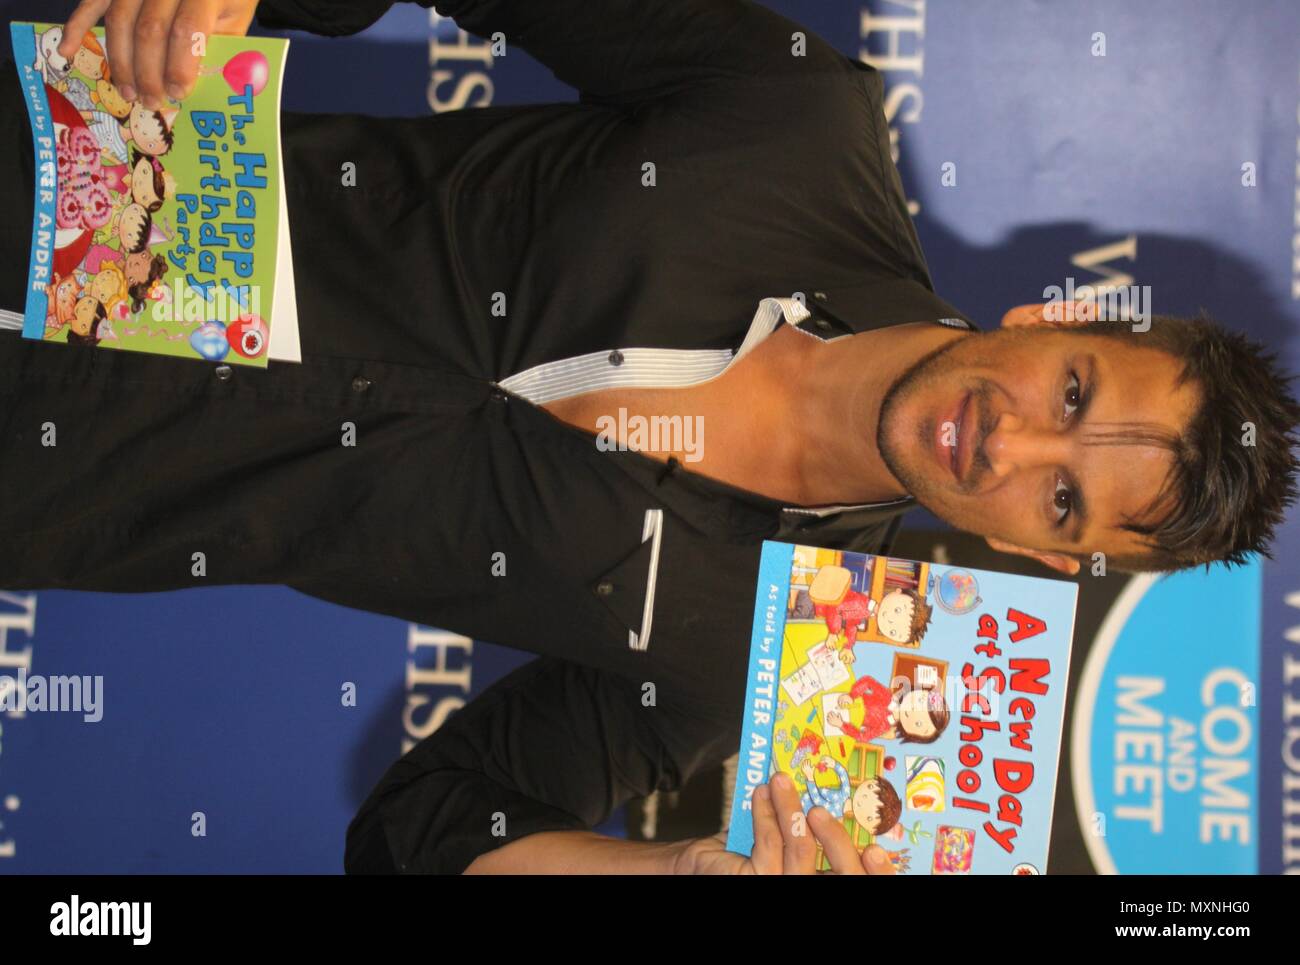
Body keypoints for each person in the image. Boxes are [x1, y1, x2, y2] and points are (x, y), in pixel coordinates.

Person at [1, 0, 1295, 873]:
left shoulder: (762, 649)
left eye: (1065, 501)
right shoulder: (799, 123)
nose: (1007, 444)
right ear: (1058, 315)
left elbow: (429, 834)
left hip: (52, 489)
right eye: (1072, 391)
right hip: (63, 173)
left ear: (1053, 558)